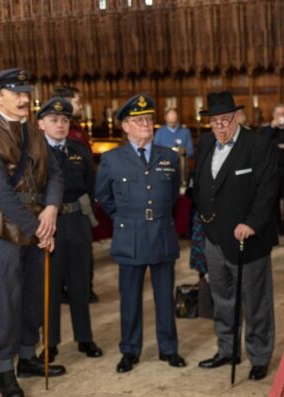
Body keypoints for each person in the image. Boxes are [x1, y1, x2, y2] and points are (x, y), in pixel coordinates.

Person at [0, 68, 66, 397]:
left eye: (27, 92)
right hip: (8, 230)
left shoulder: (34, 131)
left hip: (39, 227)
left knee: (34, 296)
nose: (26, 99)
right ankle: (5, 371)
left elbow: (54, 173)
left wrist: (51, 209)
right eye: (18, 93)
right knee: (7, 301)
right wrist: (38, 228)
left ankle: (27, 357)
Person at [95, 94, 186, 373]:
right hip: (130, 236)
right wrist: (126, 219)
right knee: (130, 298)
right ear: (125, 127)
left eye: (149, 119)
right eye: (139, 120)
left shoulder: (169, 156)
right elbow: (103, 197)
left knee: (164, 296)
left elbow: (171, 195)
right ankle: (130, 350)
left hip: (161, 232)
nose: (146, 124)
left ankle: (168, 348)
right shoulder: (111, 159)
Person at [194, 91, 278, 381]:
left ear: (237, 118)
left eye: (225, 121)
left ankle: (259, 355)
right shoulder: (205, 143)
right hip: (215, 239)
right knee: (223, 299)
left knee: (256, 301)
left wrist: (252, 222)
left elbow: (268, 188)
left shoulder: (257, 145)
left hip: (247, 238)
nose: (219, 127)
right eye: (214, 122)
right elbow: (201, 187)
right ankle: (227, 349)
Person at [36, 97, 103, 362]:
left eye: (65, 120)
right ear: (41, 123)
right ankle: (50, 343)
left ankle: (84, 338)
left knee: (80, 283)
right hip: (48, 225)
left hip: (76, 221)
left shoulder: (79, 150)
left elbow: (90, 185)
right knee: (50, 286)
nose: (60, 125)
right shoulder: (34, 153)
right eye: (54, 120)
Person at [52, 85, 98, 303]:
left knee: (83, 253)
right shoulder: (61, 134)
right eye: (78, 101)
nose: (81, 105)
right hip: (63, 204)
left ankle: (83, 289)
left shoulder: (77, 128)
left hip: (81, 200)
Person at [260, 103, 284, 234]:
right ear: (274, 116)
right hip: (273, 170)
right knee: (274, 200)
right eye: (279, 114)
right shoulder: (267, 129)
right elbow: (262, 145)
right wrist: (272, 127)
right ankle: (276, 227)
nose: (281, 117)